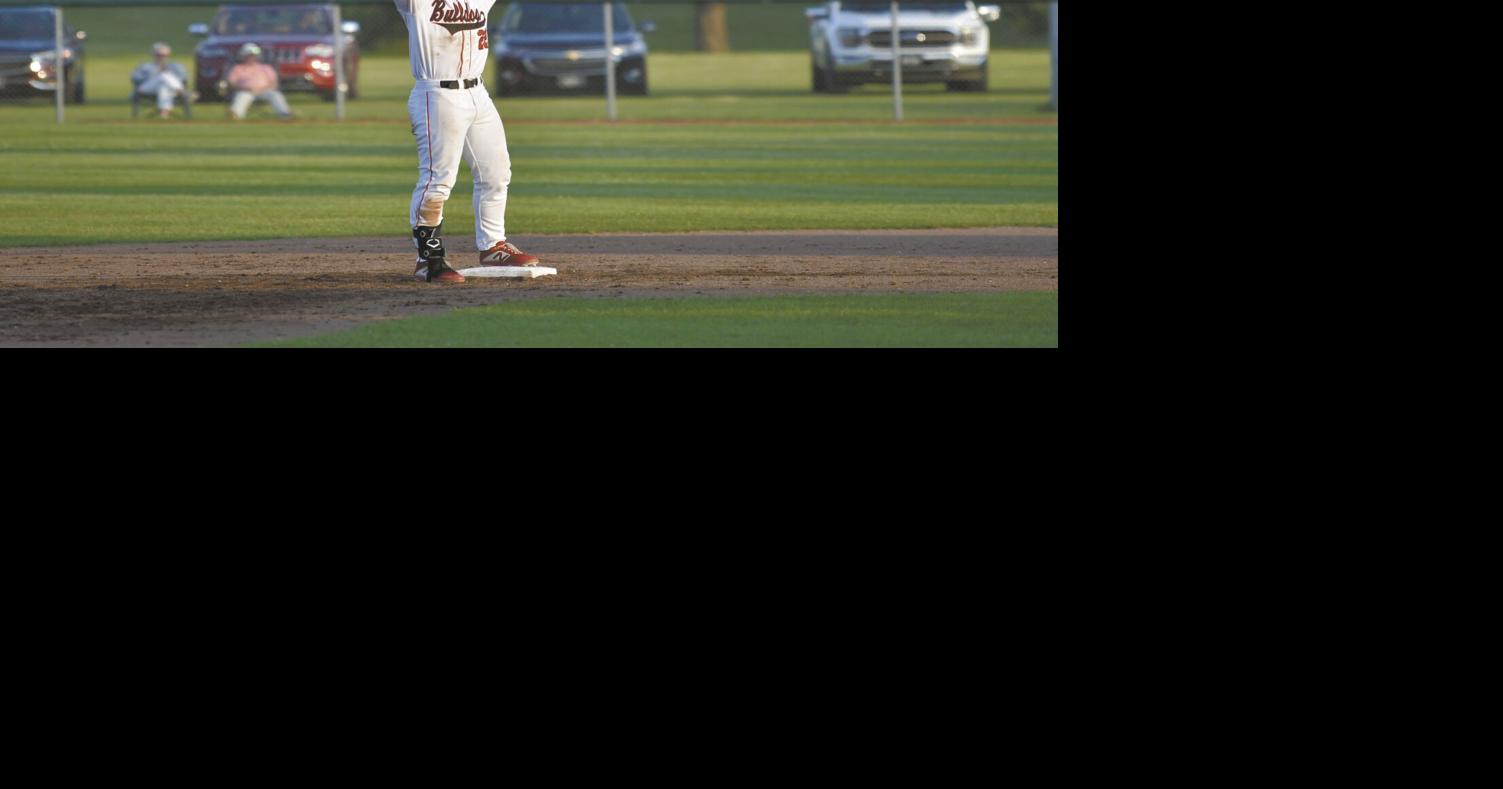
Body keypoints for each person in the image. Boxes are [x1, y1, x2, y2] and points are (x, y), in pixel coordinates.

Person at [394, 0, 540, 284]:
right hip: (437, 94)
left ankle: (493, 246)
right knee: (437, 180)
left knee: (496, 173)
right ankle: (428, 259)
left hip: (478, 93)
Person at [225, 43, 293, 120]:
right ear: (243, 56)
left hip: (265, 91)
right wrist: (245, 88)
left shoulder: (266, 68)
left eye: (253, 55)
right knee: (242, 96)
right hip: (246, 91)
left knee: (275, 95)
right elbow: (231, 83)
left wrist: (264, 88)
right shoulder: (237, 69)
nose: (251, 57)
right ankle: (236, 115)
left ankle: (284, 113)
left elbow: (274, 83)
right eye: (249, 55)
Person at [131, 42, 189, 119]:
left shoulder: (176, 66)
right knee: (164, 76)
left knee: (163, 86)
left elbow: (184, 78)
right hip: (146, 88)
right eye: (159, 55)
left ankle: (164, 114)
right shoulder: (145, 66)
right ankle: (182, 91)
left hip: (169, 89)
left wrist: (168, 78)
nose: (162, 57)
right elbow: (135, 78)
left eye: (164, 55)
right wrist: (153, 77)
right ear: (153, 54)